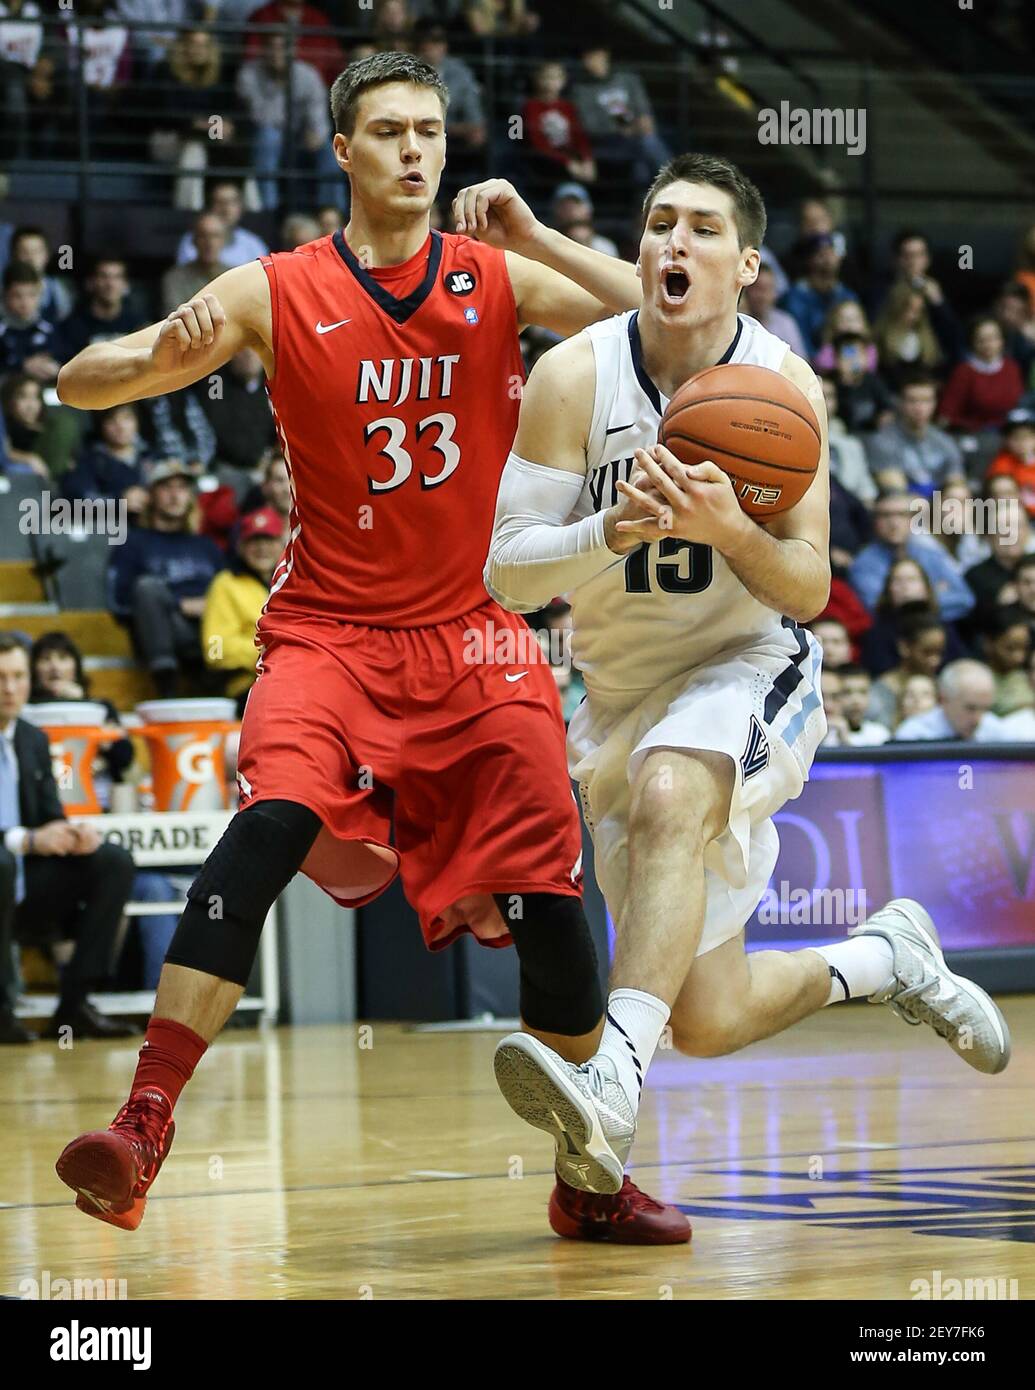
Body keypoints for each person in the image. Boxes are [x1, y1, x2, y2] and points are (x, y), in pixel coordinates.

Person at [55, 50, 681, 1244]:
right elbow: (102, 376)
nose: (413, 150)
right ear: (341, 150)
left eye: (431, 132)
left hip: (474, 633)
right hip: (327, 636)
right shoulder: (272, 289)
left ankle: (588, 1172)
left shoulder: (493, 277)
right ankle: (141, 1126)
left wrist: (541, 234)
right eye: (388, 130)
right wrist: (140, 352)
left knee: (554, 907)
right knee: (271, 821)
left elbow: (667, 317)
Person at [484, 151, 1011, 1202]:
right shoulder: (572, 377)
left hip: (749, 662)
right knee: (708, 1014)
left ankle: (615, 1085)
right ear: (638, 250)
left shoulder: (782, 388)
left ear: (748, 265)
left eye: (703, 228)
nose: (675, 241)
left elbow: (811, 586)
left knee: (683, 784)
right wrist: (607, 527)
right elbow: (504, 573)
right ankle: (887, 958)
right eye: (659, 222)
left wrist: (731, 529)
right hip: (619, 696)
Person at [0, 633, 137, 1044]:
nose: (10, 688)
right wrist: (25, 841)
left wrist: (71, 834)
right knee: (3, 862)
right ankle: (2, 1012)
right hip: (4, 873)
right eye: (1, 677)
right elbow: (28, 838)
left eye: (18, 676)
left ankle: (75, 1004)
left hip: (28, 887)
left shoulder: (33, 739)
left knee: (113, 861)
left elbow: (49, 816)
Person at [108, 462, 226, 698]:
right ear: (151, 494)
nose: (174, 495)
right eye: (166, 488)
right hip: (161, 631)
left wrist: (209, 606)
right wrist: (179, 604)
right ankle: (167, 686)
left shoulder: (207, 546)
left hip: (209, 632)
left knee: (227, 603)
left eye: (182, 488)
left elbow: (229, 591)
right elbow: (119, 602)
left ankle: (219, 679)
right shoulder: (132, 543)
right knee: (147, 587)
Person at [849, 488, 975, 622]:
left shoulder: (929, 554)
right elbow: (878, 610)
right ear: (875, 521)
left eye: (902, 515)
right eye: (886, 515)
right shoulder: (863, 564)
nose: (894, 523)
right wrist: (932, 593)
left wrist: (911, 600)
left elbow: (964, 599)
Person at [202, 506, 285, 707]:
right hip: (248, 686)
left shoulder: (294, 582)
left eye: (269, 540)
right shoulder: (226, 584)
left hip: (291, 678)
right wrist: (271, 651)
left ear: (283, 544)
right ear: (241, 546)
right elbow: (215, 650)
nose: (262, 548)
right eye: (254, 541)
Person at [866, 372, 964, 497]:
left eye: (926, 401)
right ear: (899, 403)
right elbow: (894, 489)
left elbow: (956, 481)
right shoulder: (882, 441)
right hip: (903, 508)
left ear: (935, 403)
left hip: (940, 508)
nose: (919, 408)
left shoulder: (944, 441)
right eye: (912, 401)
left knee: (958, 495)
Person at [864, 606, 948, 730]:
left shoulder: (943, 686)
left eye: (939, 652)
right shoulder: (880, 692)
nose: (934, 660)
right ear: (904, 647)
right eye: (927, 652)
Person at [940, 316, 1023, 434]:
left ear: (1002, 340)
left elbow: (1017, 402)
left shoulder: (1011, 368)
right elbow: (947, 413)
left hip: (1010, 432)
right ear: (972, 342)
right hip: (974, 434)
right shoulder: (964, 371)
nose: (988, 344)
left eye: (993, 338)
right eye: (981, 339)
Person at [520, 60, 596, 189]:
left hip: (571, 159)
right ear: (537, 79)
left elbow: (580, 137)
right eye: (546, 77)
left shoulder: (568, 107)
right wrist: (567, 163)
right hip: (544, 162)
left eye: (556, 77)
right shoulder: (528, 107)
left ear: (564, 80)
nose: (551, 82)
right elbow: (535, 143)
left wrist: (587, 160)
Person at [780, 232, 857, 359]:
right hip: (808, 366)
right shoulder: (794, 299)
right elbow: (801, 348)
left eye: (831, 252)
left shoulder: (846, 295)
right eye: (821, 253)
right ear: (809, 259)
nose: (827, 259)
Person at [199, 345, 277, 470]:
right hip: (225, 464)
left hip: (265, 464)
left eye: (255, 350)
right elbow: (215, 422)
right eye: (242, 350)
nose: (249, 355)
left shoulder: (274, 382)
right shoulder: (216, 381)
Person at [893, 659, 1005, 741]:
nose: (978, 719)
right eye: (971, 708)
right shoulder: (913, 735)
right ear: (944, 700)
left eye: (985, 709)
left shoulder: (996, 732)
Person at [60, 258, 140, 361]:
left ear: (126, 285)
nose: (110, 284)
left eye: (117, 277)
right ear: (90, 283)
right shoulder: (72, 327)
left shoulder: (138, 325)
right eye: (104, 277)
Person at [174, 182, 269, 269]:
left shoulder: (253, 243)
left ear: (241, 207)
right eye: (220, 202)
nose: (226, 208)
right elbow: (186, 276)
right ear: (210, 206)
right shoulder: (191, 239)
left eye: (232, 202)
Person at [0, 260, 62, 381]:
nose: (25, 303)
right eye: (17, 295)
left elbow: (64, 357)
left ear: (40, 294)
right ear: (5, 295)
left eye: (32, 295)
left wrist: (56, 368)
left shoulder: (50, 325)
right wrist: (22, 366)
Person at [161, 214, 232, 316]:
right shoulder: (174, 279)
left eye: (215, 236)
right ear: (194, 240)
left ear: (224, 240)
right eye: (203, 236)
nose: (209, 243)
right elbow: (173, 318)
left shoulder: (233, 275)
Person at [741, 263, 805, 359]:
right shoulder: (738, 323)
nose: (763, 296)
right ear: (746, 290)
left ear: (775, 293)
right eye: (758, 289)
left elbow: (802, 361)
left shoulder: (786, 323)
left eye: (768, 289)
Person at [980, 605, 1033, 716]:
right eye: (1010, 648)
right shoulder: (975, 681)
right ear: (988, 643)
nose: (1019, 657)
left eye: (1024, 648)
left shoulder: (1027, 676)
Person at [987, 408, 1035, 518]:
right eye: (1015, 437)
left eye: (1027, 436)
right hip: (1012, 517)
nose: (1021, 442)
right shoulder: (1000, 464)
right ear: (1006, 440)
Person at [836, 664, 890, 745]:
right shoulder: (825, 736)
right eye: (847, 692)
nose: (856, 701)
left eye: (863, 692)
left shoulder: (880, 735)